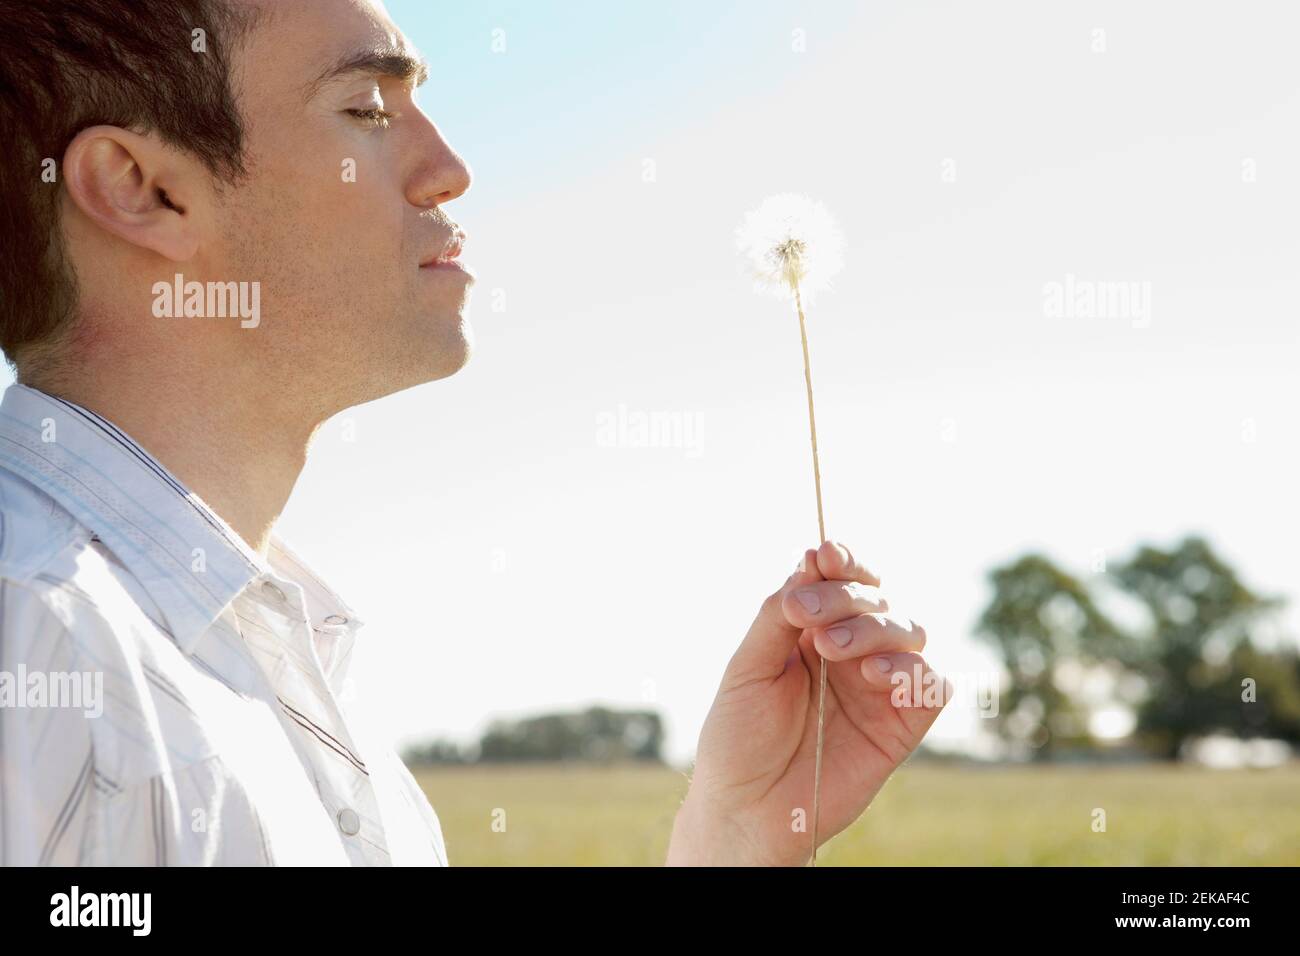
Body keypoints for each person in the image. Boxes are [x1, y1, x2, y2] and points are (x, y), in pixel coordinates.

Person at [0, 0, 947, 867]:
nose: (450, 168)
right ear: (142, 189)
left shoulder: (293, 680)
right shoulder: (33, 634)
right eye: (368, 110)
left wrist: (736, 833)